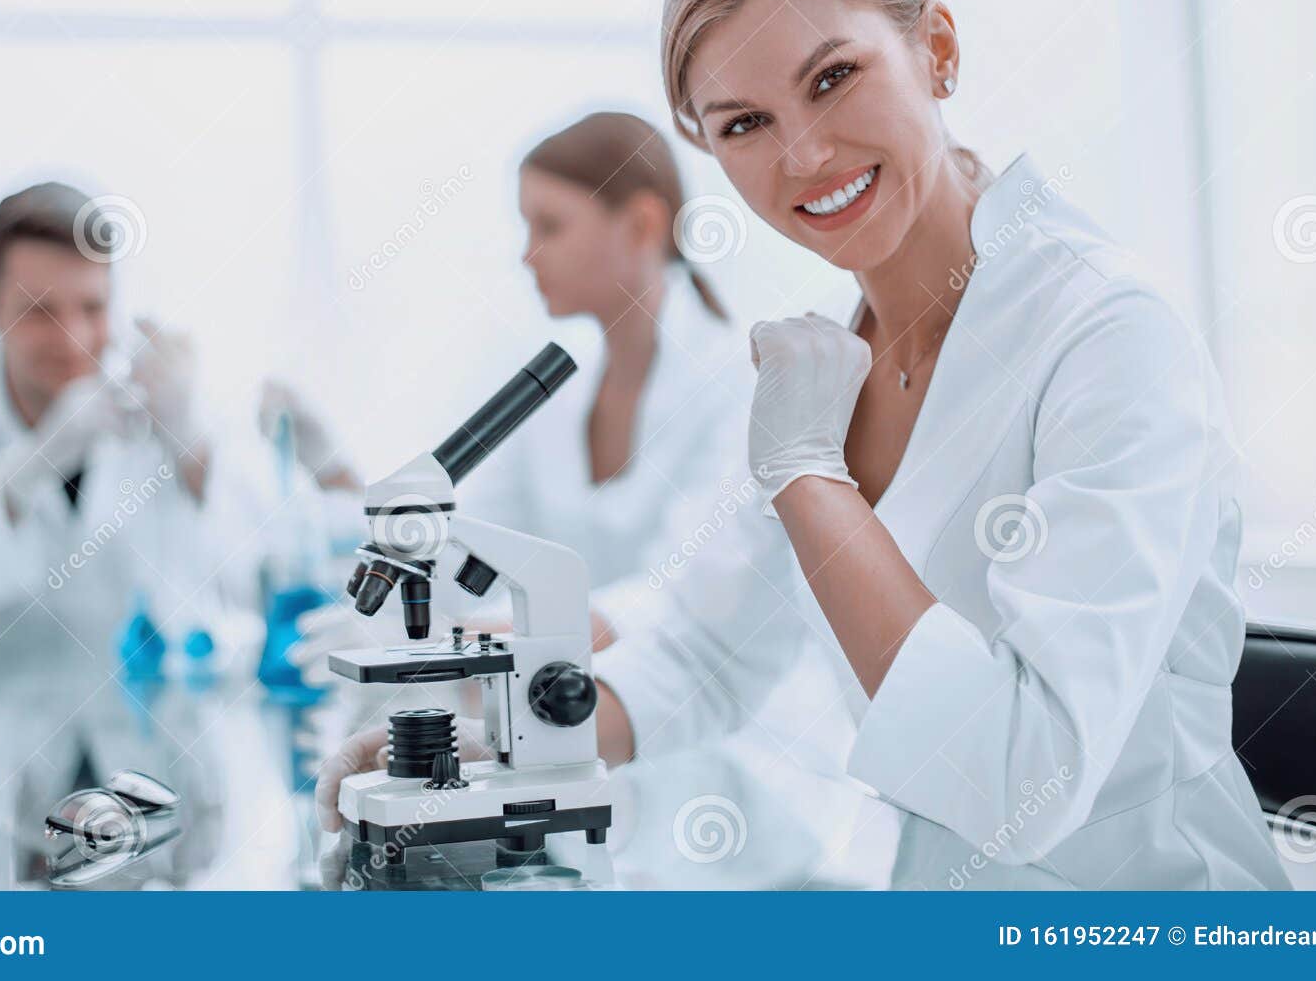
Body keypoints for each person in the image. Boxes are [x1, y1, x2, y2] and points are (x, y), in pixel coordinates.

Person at [322, 0, 1290, 890]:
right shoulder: (827, 360)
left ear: (938, 50)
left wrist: (806, 476)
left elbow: (1021, 777)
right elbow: (701, 652)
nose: (803, 156)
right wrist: (484, 757)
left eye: (834, 76)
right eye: (743, 123)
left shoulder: (1104, 333)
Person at [311, 113, 892, 886]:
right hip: (601, 749)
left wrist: (484, 642)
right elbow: (472, 546)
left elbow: (684, 601)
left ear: (642, 223)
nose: (526, 253)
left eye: (548, 224)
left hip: (737, 781)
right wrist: (398, 609)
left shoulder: (740, 382)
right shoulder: (553, 388)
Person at [0, 182, 267, 672]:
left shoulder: (155, 409)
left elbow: (255, 585)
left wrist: (193, 452)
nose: (73, 340)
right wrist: (24, 473)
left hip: (139, 731)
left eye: (92, 308)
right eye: (39, 312)